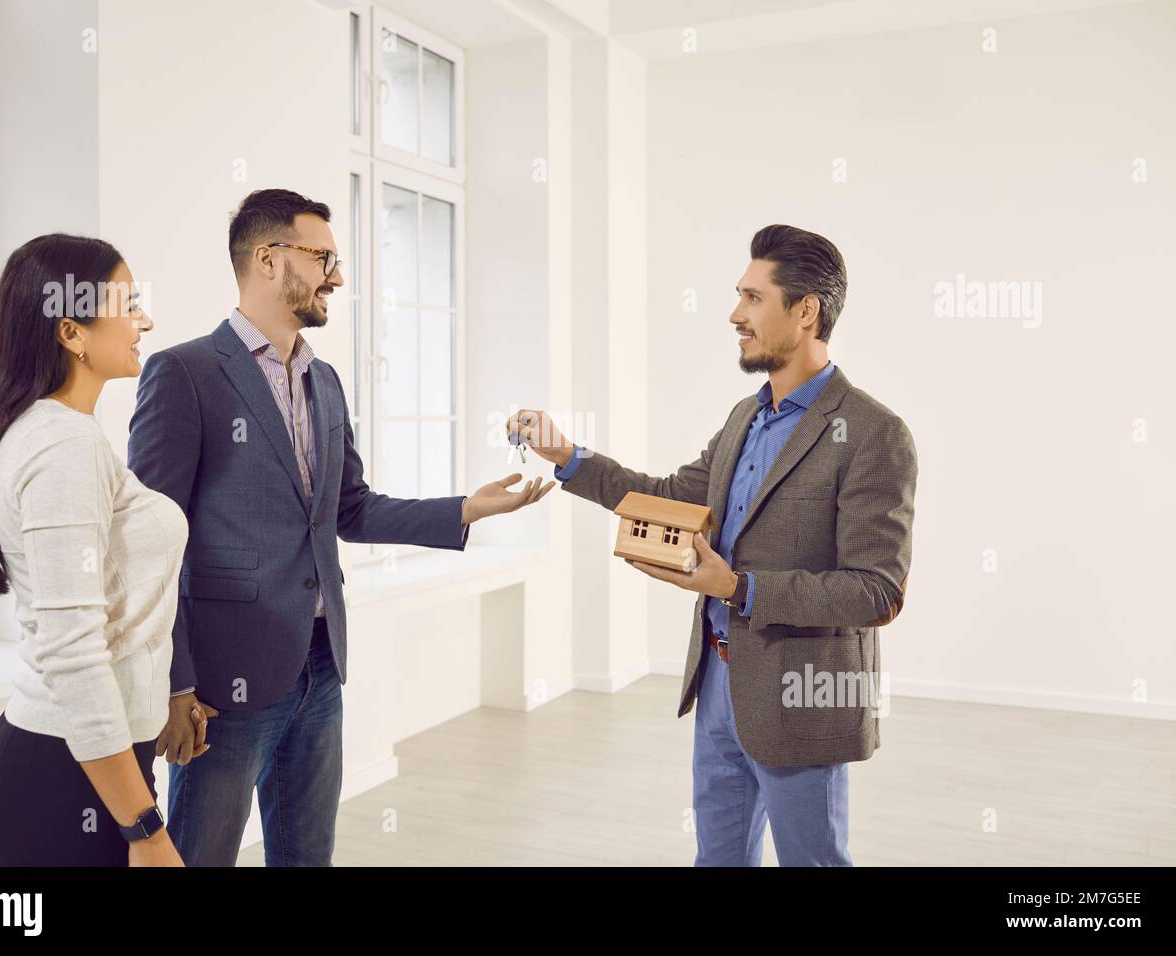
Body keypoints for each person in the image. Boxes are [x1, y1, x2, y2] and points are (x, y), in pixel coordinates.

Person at [127, 188, 554, 866]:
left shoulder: (324, 380)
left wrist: (466, 509)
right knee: (199, 856)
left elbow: (349, 509)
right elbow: (148, 547)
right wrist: (174, 683)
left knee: (306, 856)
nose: (339, 275)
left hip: (319, 667)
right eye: (323, 256)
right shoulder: (185, 374)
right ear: (268, 259)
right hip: (221, 684)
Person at [508, 224, 918, 867]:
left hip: (801, 694)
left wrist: (737, 586)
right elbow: (671, 498)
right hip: (719, 683)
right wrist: (566, 454)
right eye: (739, 296)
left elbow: (875, 590)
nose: (735, 314)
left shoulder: (873, 432)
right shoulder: (743, 418)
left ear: (806, 311)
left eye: (753, 298)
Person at [0, 233, 189, 866]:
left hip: (75, 763)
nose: (143, 320)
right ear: (71, 331)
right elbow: (73, 652)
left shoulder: (58, 433)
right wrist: (145, 829)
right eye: (128, 303)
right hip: (66, 779)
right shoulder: (63, 447)